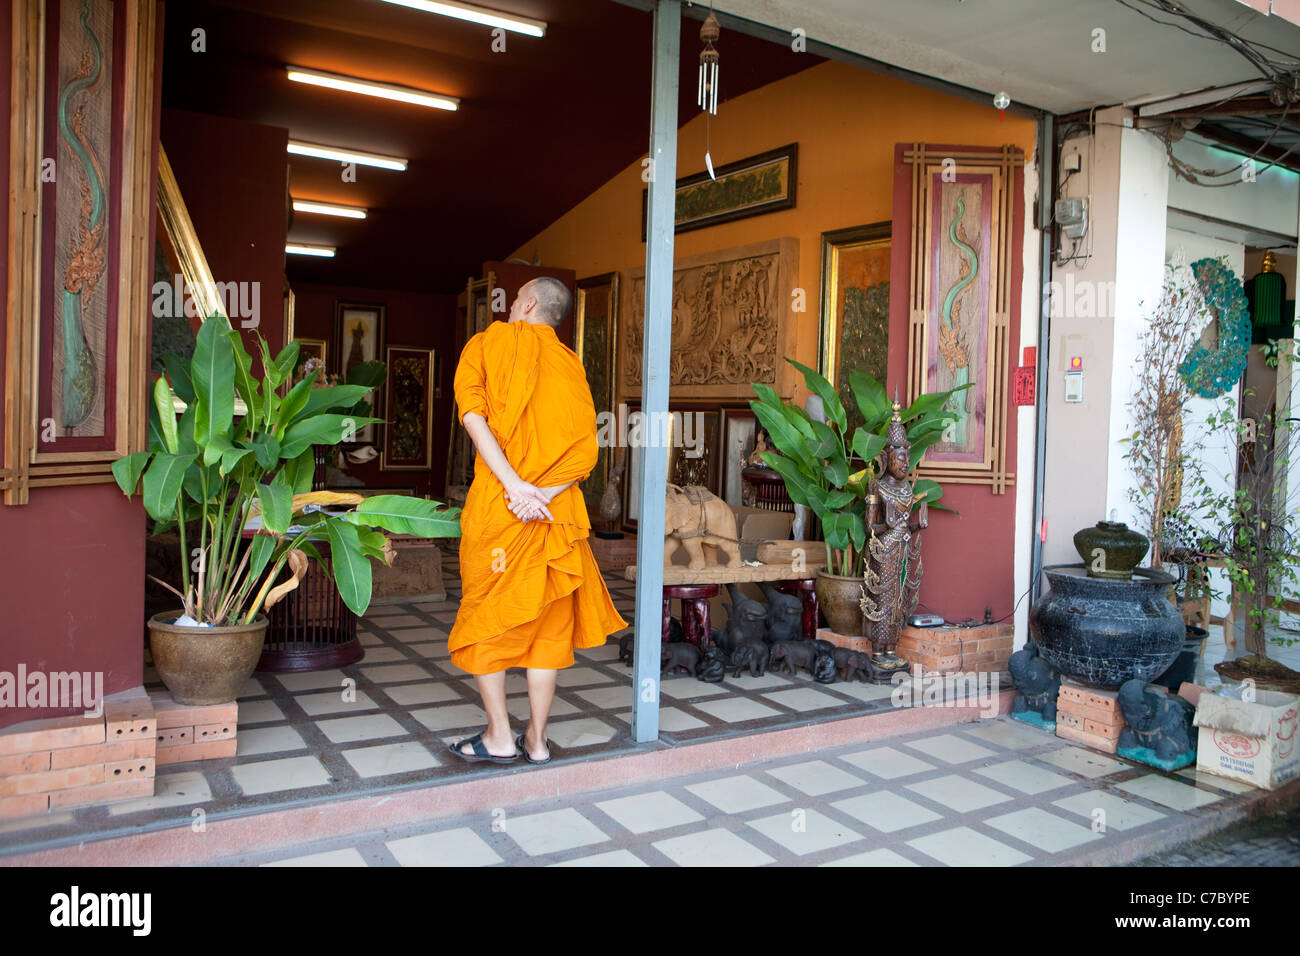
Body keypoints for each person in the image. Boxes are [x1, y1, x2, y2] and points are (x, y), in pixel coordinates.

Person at [447, 277, 628, 764]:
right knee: (547, 632)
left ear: (526, 303)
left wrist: (514, 487)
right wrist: (540, 494)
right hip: (556, 515)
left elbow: (473, 417)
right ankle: (538, 741)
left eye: (512, 300)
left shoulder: (487, 344)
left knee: (487, 621)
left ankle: (500, 737)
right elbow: (585, 449)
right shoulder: (572, 364)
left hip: (499, 508)